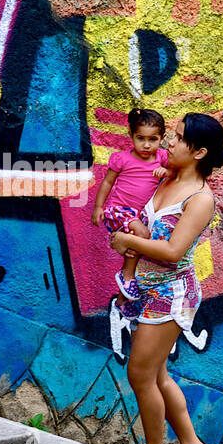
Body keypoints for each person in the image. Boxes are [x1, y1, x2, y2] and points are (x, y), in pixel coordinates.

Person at [110, 113, 223, 444]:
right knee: (158, 376)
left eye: (178, 138)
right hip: (149, 289)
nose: (170, 143)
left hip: (172, 295)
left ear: (200, 151)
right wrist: (133, 227)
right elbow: (153, 232)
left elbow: (174, 250)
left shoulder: (200, 199)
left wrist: (129, 241)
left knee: (140, 374)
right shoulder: (168, 179)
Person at [91, 108, 172, 303]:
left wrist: (166, 171)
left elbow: (178, 172)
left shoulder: (162, 158)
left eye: (152, 139)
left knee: (140, 245)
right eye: (140, 138)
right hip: (120, 210)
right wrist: (98, 207)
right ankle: (126, 276)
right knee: (143, 236)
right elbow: (108, 183)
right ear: (131, 136)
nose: (145, 145)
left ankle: (122, 301)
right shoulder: (123, 159)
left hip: (140, 215)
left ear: (162, 137)